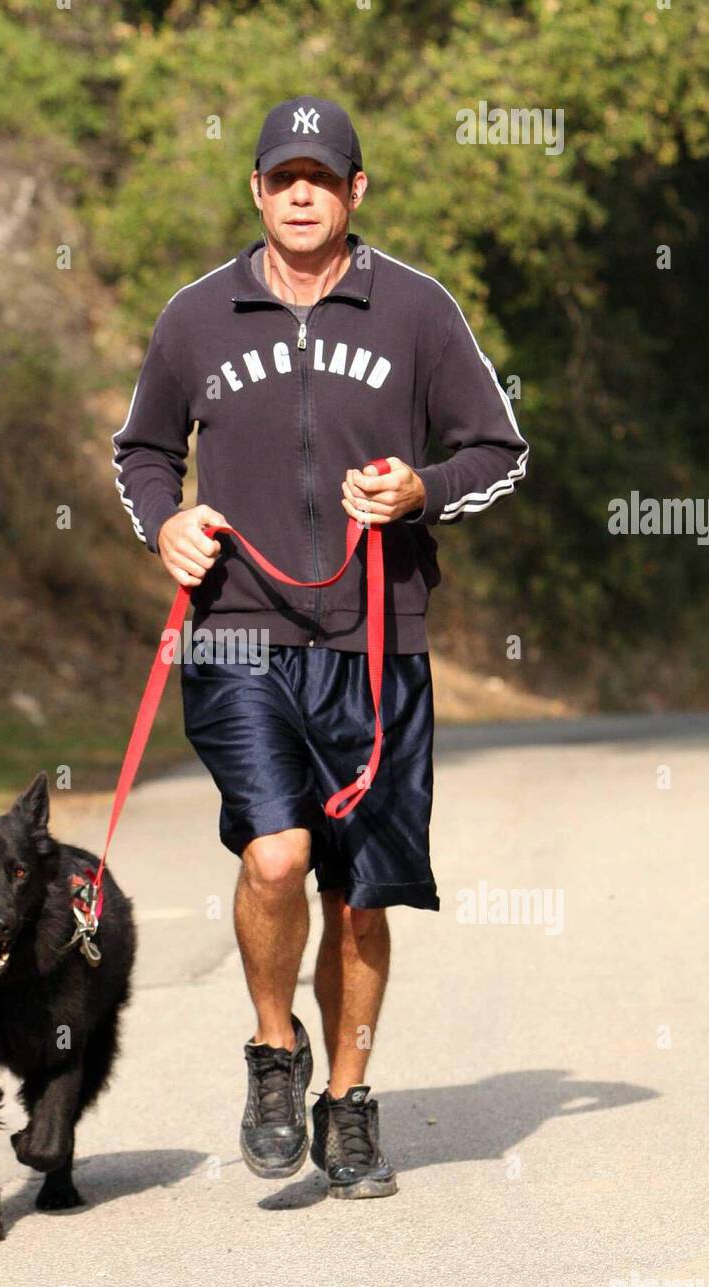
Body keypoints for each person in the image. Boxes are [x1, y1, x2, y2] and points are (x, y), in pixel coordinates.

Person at [111, 96, 528, 1199]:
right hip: (238, 633)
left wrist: (420, 489)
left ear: (354, 192)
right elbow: (143, 449)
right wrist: (166, 519)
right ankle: (271, 1050)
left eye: (322, 176)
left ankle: (347, 1102)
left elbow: (499, 448)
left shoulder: (417, 311)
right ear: (254, 190)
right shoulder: (197, 315)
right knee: (276, 855)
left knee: (359, 889)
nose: (301, 193)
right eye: (281, 175)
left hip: (380, 638)